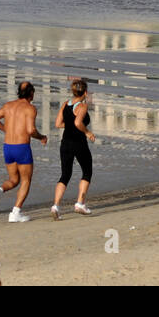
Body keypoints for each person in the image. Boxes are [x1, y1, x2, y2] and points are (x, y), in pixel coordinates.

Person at [0, 81, 48, 223]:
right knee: (26, 180)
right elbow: (31, 130)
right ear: (31, 93)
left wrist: (6, 129)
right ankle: (15, 212)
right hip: (21, 147)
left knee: (14, 180)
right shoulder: (30, 108)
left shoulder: (8, 106)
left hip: (8, 147)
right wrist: (42, 137)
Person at [51, 79, 96, 219]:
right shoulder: (82, 106)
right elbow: (78, 122)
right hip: (78, 143)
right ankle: (80, 203)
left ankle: (56, 206)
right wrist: (87, 132)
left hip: (65, 143)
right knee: (87, 171)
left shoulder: (66, 104)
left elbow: (58, 124)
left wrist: (70, 125)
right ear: (86, 92)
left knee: (65, 175)